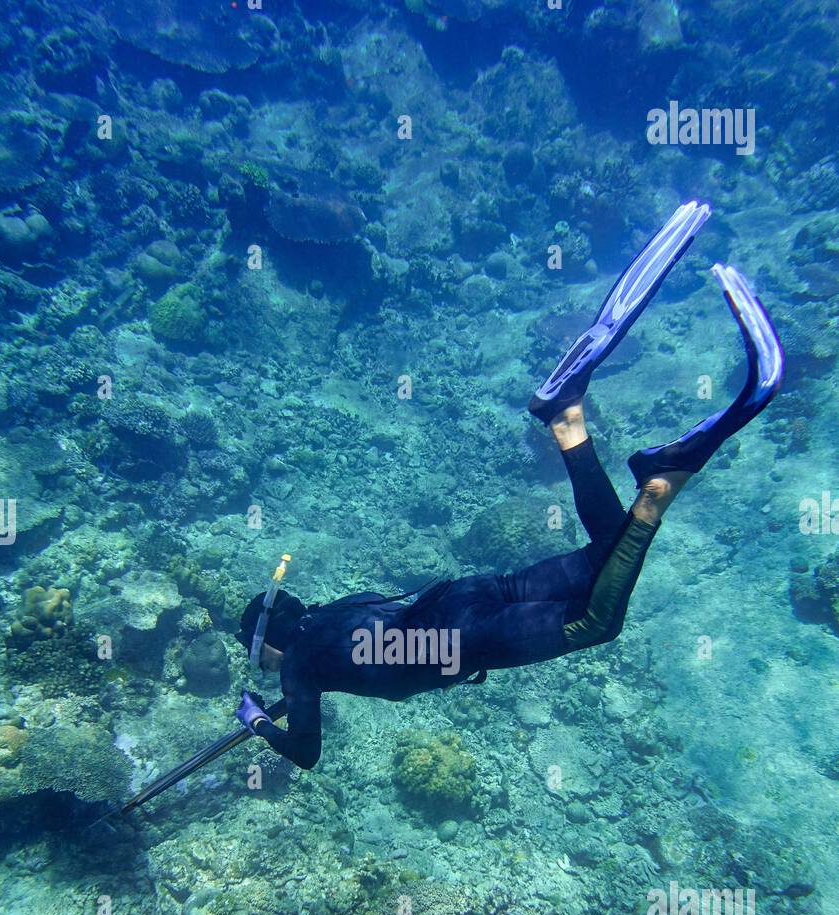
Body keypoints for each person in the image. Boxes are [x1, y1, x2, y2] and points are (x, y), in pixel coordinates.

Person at [234, 201, 784, 770]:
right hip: (468, 595)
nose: (270, 670)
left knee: (597, 622)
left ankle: (657, 490)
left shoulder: (299, 664)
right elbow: (352, 651)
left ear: (271, 640)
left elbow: (305, 752)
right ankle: (567, 421)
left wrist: (256, 720)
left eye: (263, 659)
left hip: (464, 636)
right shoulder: (329, 613)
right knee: (604, 556)